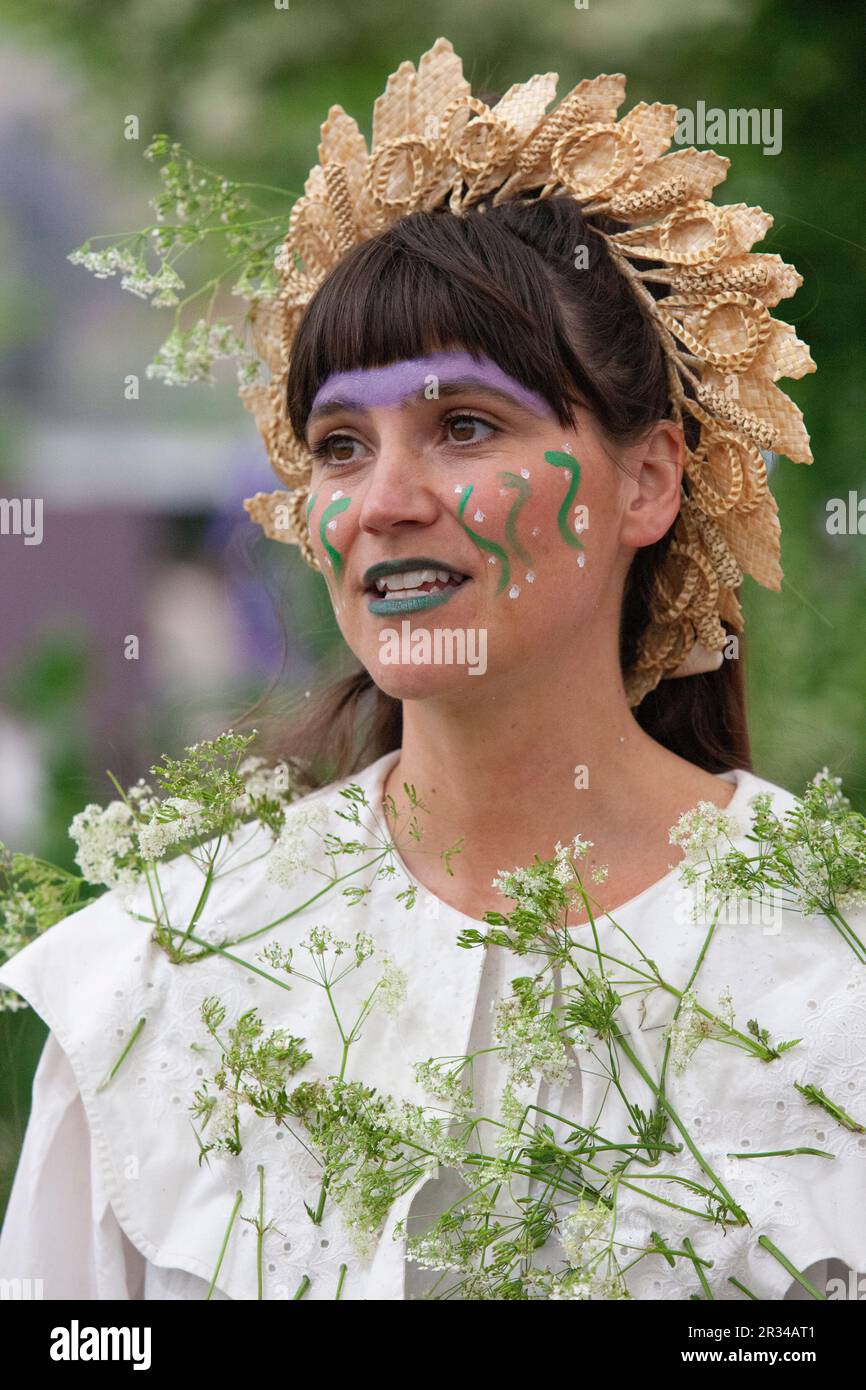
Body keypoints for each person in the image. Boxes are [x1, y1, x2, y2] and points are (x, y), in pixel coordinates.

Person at [1, 39, 864, 1302]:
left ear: (646, 479)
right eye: (339, 445)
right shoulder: (158, 979)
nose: (383, 501)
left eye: (464, 426)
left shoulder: (828, 964)